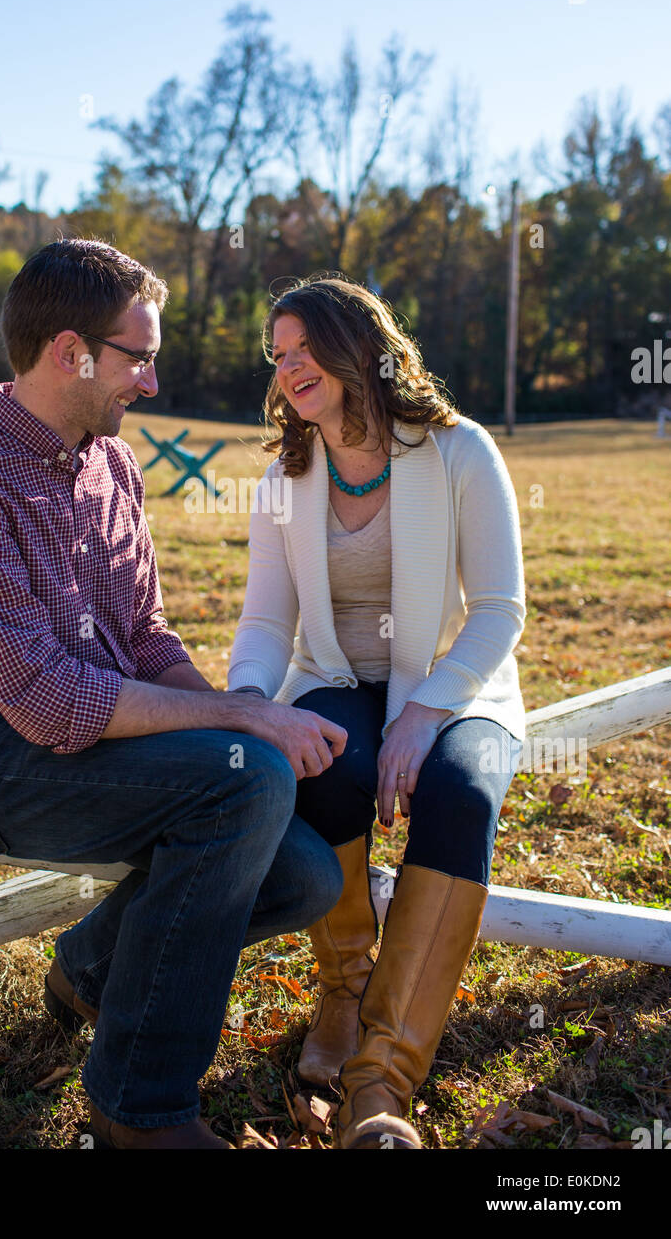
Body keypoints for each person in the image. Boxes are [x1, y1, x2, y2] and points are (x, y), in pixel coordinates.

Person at [0, 239, 347, 1150]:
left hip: (86, 738)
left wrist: (241, 723)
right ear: (70, 352)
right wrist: (242, 720)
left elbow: (142, 639)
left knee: (303, 874)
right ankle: (137, 1108)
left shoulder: (113, 469)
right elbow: (48, 703)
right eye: (137, 357)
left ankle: (90, 971)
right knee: (244, 781)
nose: (149, 380)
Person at [227, 274, 526, 1150]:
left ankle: (382, 1078)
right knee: (325, 763)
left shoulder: (460, 451)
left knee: (462, 795)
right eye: (278, 357)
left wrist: (426, 712)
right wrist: (248, 705)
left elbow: (502, 610)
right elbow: (266, 619)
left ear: (360, 346)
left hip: (453, 681)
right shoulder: (287, 475)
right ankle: (345, 992)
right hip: (335, 673)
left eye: (305, 348)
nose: (290, 369)